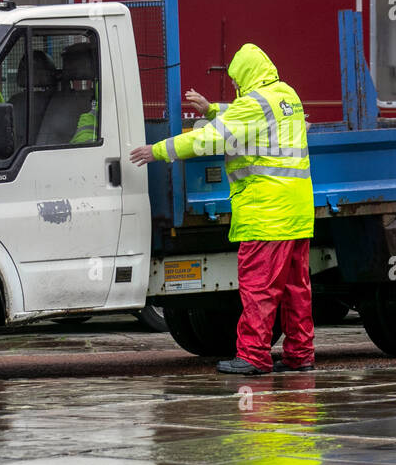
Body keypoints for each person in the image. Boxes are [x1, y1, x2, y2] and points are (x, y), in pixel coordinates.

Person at [130, 43, 314, 375]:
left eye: (235, 80)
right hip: (297, 213)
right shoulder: (287, 95)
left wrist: (156, 150)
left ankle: (253, 357)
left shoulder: (253, 105)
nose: (235, 86)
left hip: (266, 215)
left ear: (245, 74)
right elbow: (247, 117)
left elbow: (209, 139)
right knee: (294, 291)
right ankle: (300, 355)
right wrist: (213, 108)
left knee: (259, 289)